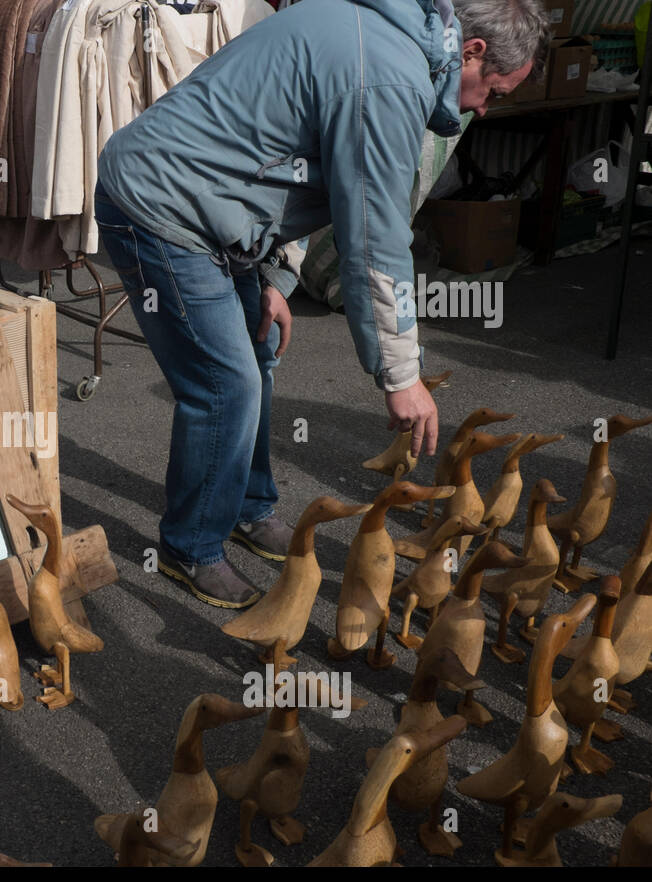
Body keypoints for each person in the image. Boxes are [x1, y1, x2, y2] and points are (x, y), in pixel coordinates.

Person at [94, 0, 549, 609]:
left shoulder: (382, 43)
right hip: (161, 205)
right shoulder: (390, 75)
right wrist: (401, 375)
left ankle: (248, 510)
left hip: (212, 202)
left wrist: (276, 277)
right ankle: (191, 546)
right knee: (226, 385)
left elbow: (307, 168)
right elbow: (374, 237)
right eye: (492, 89)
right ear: (472, 52)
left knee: (255, 355)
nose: (484, 108)